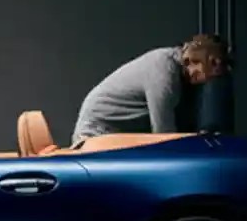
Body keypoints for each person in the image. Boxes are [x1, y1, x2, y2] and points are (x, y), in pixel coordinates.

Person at [70, 33, 232, 145]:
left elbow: (183, 130)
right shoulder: (164, 70)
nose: (205, 80)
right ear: (195, 59)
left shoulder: (184, 78)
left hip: (118, 136)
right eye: (209, 69)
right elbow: (165, 135)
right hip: (96, 133)